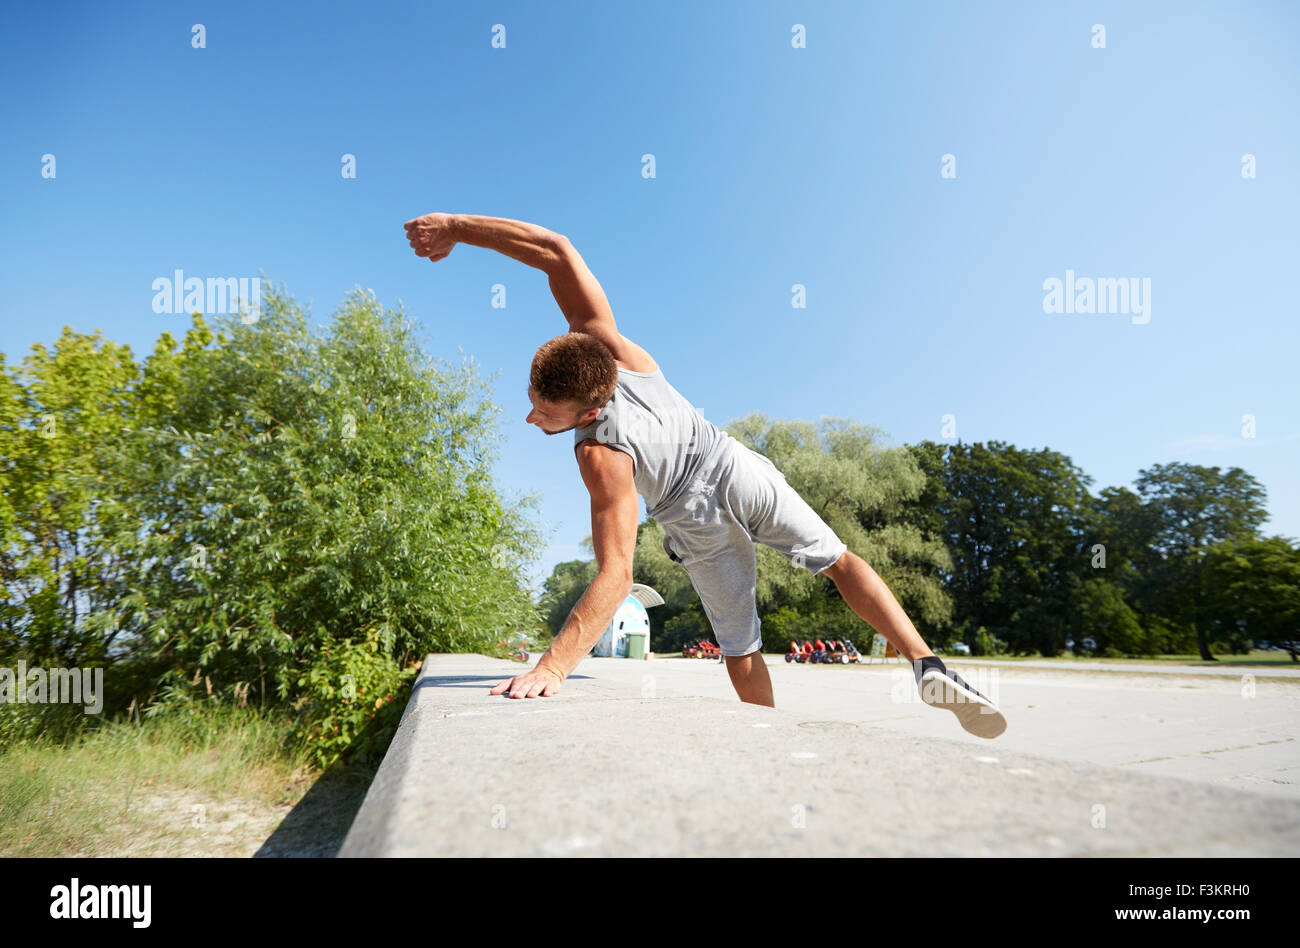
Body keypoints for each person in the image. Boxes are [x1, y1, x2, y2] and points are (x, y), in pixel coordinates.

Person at [403, 212, 1007, 738]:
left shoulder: (600, 454)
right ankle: (926, 662)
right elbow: (557, 249)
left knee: (740, 647)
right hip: (731, 462)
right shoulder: (609, 349)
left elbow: (618, 574)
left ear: (588, 412)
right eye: (534, 399)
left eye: (545, 412)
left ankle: (773, 741)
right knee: (839, 561)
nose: (530, 417)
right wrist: (457, 228)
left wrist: (552, 666)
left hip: (693, 519)